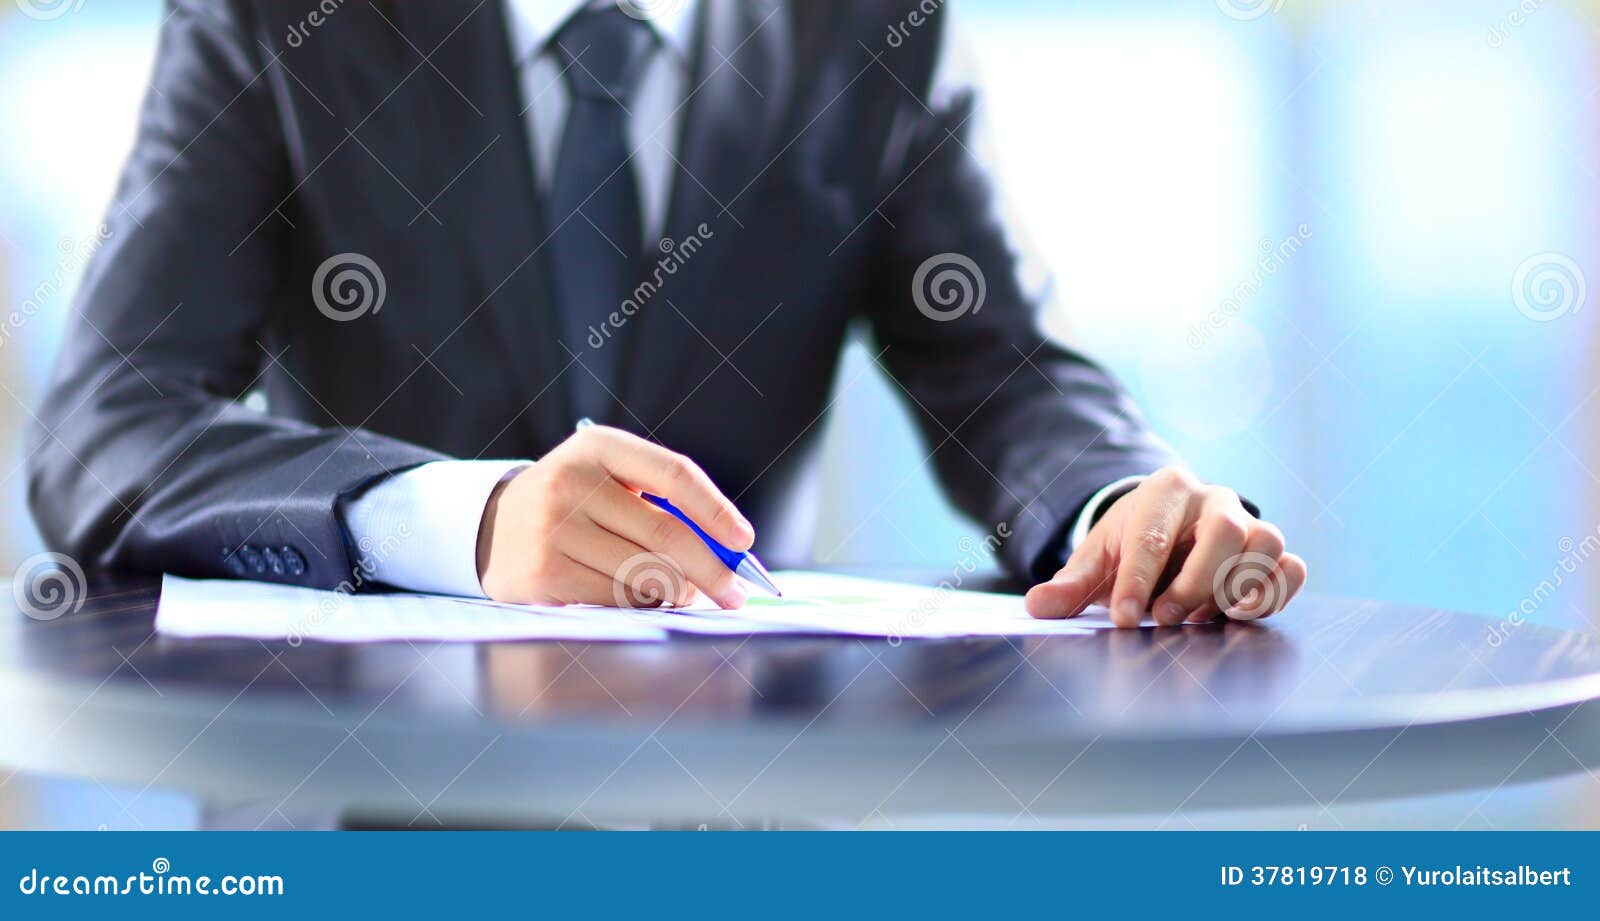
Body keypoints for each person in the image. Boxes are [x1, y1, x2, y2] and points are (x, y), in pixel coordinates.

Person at [28, 0, 1304, 628]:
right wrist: (462, 521)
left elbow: (1005, 371)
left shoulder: (863, 28)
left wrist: (1116, 503)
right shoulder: (280, 18)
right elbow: (108, 425)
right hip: (356, 822)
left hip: (736, 808)